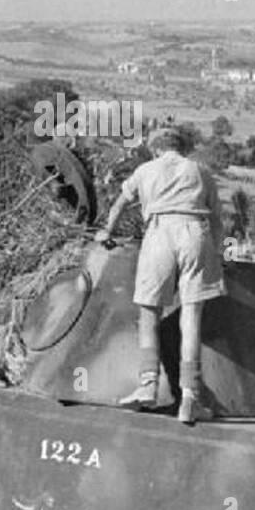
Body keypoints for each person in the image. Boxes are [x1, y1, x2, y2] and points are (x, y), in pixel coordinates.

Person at [94, 127, 226, 424]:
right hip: (196, 233)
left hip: (159, 233)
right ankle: (189, 398)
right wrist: (218, 253)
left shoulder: (145, 169)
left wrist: (107, 232)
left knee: (148, 311)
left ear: (156, 149)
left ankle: (148, 385)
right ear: (182, 148)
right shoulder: (200, 170)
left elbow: (119, 203)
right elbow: (217, 218)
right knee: (191, 316)